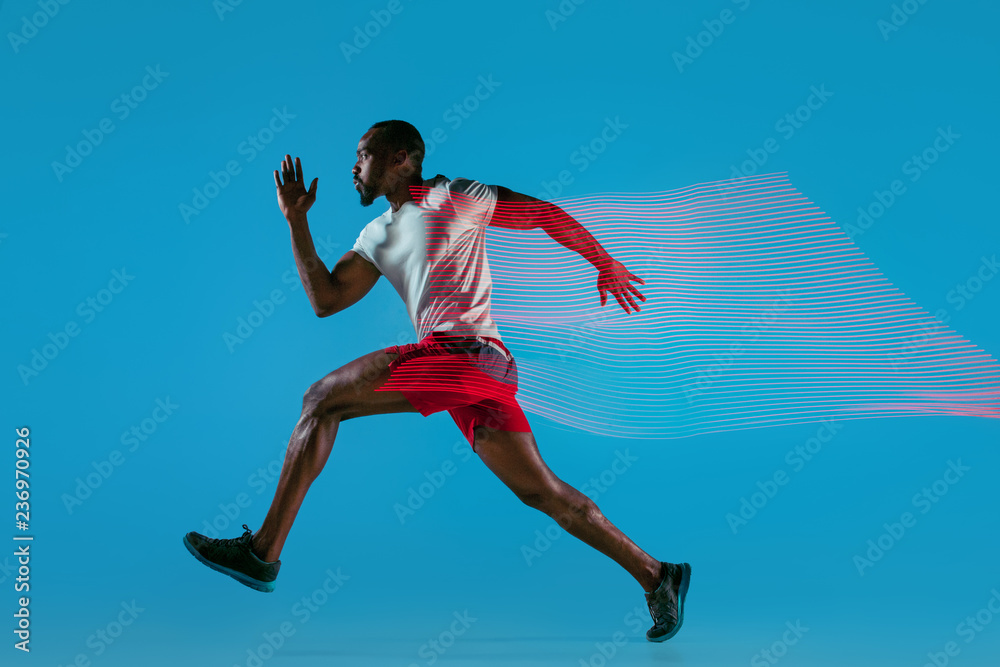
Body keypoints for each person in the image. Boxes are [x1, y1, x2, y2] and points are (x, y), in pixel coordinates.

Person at [182, 120, 690, 642]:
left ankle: (263, 552)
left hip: (468, 356)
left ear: (401, 158)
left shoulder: (458, 195)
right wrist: (296, 223)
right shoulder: (376, 234)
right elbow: (326, 299)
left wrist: (602, 261)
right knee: (545, 493)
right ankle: (657, 575)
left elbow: (541, 214)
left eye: (362, 156)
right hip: (465, 372)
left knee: (321, 399)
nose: (352, 168)